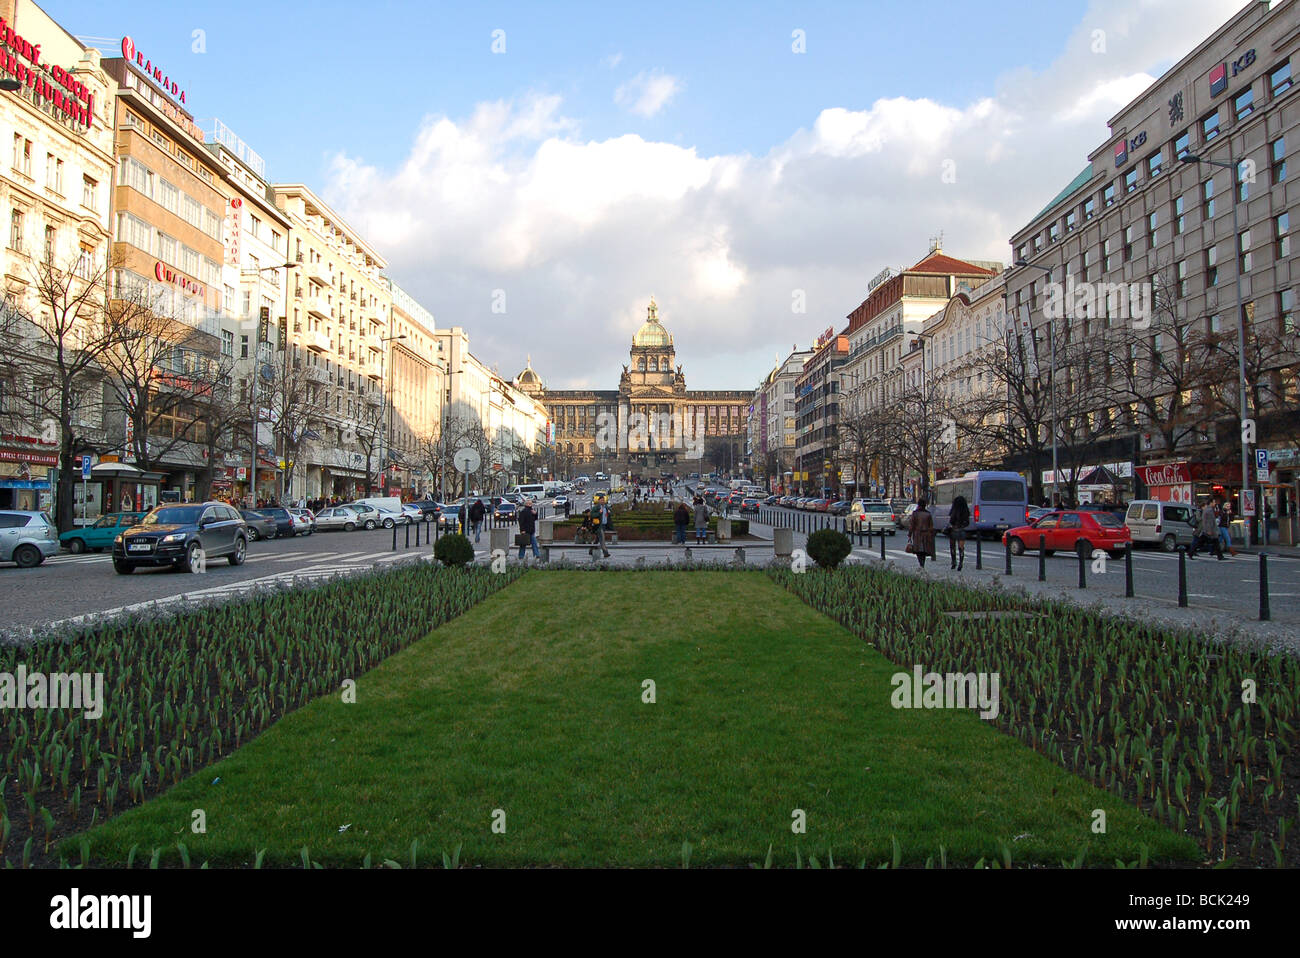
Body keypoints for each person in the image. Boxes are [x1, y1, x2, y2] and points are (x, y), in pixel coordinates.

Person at [908, 497, 937, 569]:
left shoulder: (915, 513)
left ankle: (921, 565)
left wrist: (909, 534)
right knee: (924, 550)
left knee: (918, 551)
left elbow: (912, 525)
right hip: (926, 534)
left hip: (917, 534)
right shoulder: (928, 514)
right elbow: (931, 526)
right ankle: (922, 564)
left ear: (918, 505)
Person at [948, 494, 971, 570]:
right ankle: (961, 563)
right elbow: (967, 522)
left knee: (952, 547)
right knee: (961, 548)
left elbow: (951, 521)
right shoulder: (965, 511)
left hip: (954, 530)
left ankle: (954, 562)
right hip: (961, 530)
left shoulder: (954, 510)